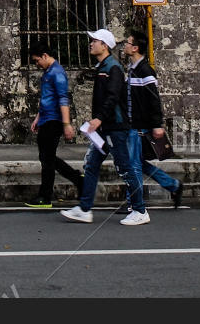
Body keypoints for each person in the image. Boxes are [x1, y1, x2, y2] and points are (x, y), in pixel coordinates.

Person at [61, 28, 148, 226]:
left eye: (95, 40)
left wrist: (98, 119)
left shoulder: (113, 68)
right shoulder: (103, 67)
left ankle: (140, 210)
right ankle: (84, 209)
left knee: (125, 168)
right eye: (91, 40)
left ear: (105, 45)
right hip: (104, 128)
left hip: (115, 128)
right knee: (91, 165)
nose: (91, 43)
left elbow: (113, 97)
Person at [121, 30, 185, 209]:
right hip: (133, 123)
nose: (124, 45)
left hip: (140, 126)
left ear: (135, 48)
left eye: (128, 42)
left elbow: (154, 100)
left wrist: (157, 125)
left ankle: (133, 203)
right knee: (138, 163)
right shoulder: (132, 69)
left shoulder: (145, 70)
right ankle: (173, 185)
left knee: (132, 165)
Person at [24, 40, 82, 207]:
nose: (37, 64)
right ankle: (77, 179)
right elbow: (47, 99)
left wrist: (66, 124)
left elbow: (63, 99)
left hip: (54, 121)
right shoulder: (49, 72)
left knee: (47, 159)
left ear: (45, 56)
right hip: (46, 118)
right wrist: (38, 118)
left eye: (37, 60)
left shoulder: (57, 73)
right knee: (46, 157)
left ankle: (45, 196)